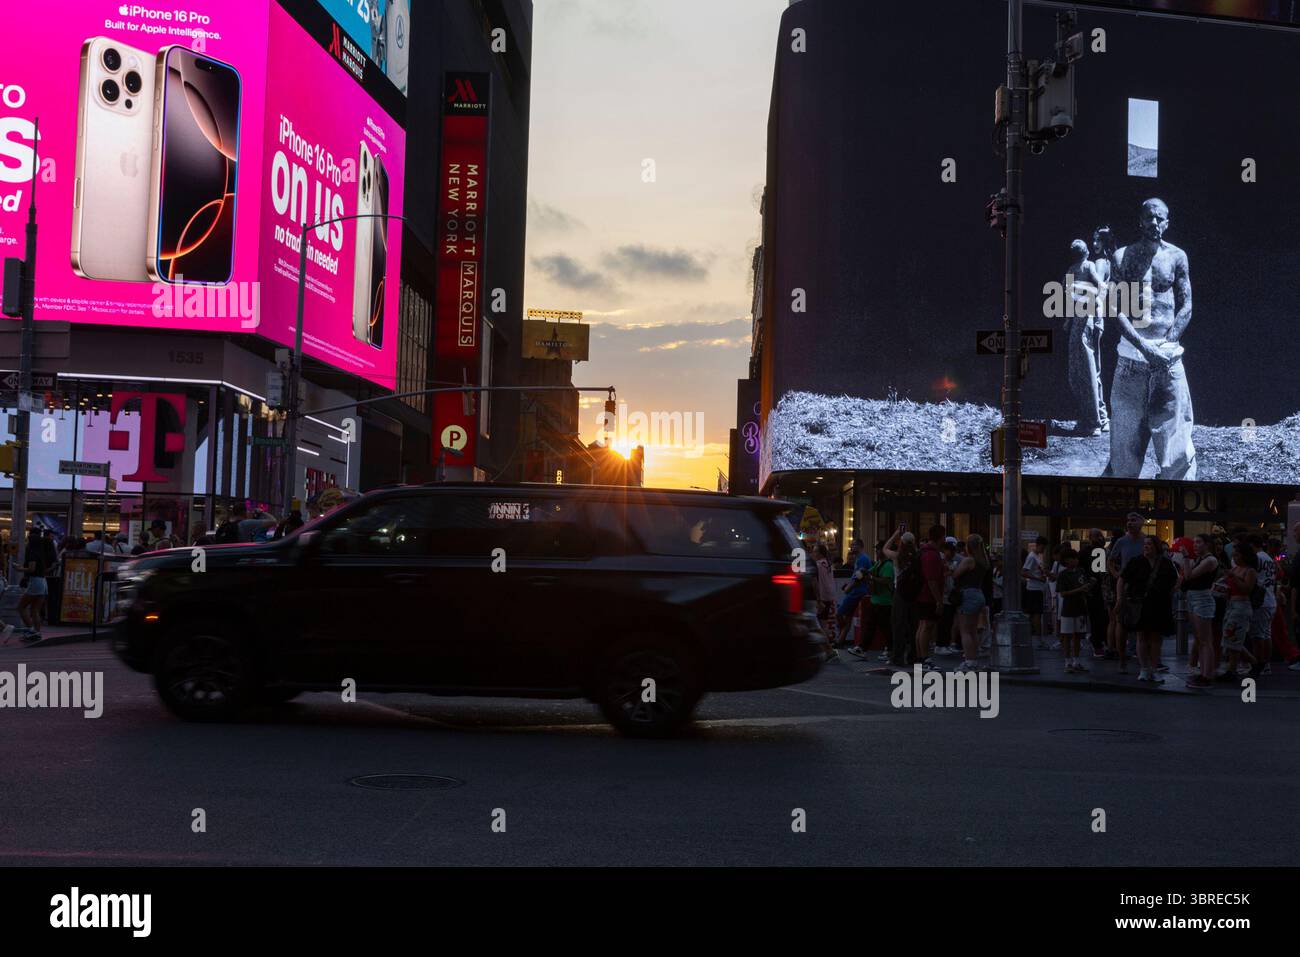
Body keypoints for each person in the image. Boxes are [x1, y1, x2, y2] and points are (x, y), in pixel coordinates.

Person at [1102, 198, 1197, 480]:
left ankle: (1178, 518)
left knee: (1177, 457)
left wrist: (1167, 345)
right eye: (1148, 218)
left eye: (1160, 218)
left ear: (1167, 222)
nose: (1154, 223)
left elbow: (1186, 304)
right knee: (1124, 458)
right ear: (1139, 221)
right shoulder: (1122, 258)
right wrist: (1143, 346)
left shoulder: (1177, 257)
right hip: (1131, 364)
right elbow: (1115, 309)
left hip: (1168, 363)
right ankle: (1120, 514)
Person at [1065, 232, 1111, 435]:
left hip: (1085, 319)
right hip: (1086, 319)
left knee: (1086, 370)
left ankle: (1093, 422)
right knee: (1092, 369)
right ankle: (1100, 418)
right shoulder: (1083, 267)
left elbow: (1101, 288)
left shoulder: (1084, 268)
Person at [1119, 535, 1177, 683]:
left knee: (1156, 638)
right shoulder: (1136, 562)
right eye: (1145, 544)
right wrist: (1121, 599)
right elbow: (1122, 578)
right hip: (1140, 604)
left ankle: (1153, 668)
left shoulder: (1166, 563)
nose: (1146, 546)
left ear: (1156, 547)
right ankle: (1144, 669)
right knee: (1141, 636)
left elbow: (1173, 583)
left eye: (1149, 544)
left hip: (1159, 604)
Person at [1180, 533, 1219, 688]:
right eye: (1194, 542)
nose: (1195, 545)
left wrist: (1185, 557)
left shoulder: (1210, 560)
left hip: (1202, 598)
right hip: (1194, 597)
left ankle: (1207, 675)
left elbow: (1189, 575)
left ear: (1207, 544)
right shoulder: (1200, 559)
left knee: (1205, 640)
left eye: (1199, 542)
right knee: (1200, 638)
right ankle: (1203, 672)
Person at [1214, 546, 1259, 679]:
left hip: (1241, 606)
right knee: (1230, 637)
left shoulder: (1249, 571)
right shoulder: (1235, 569)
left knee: (1232, 636)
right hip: (1231, 604)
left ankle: (1238, 666)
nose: (1234, 558)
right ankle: (1250, 663)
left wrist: (1234, 578)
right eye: (1234, 556)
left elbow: (1247, 589)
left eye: (1237, 556)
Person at [951, 534, 990, 673]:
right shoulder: (983, 561)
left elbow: (955, 574)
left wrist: (951, 568)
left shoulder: (969, 560)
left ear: (969, 546)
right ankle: (974, 660)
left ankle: (969, 662)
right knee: (973, 631)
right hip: (979, 593)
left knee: (965, 631)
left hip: (967, 594)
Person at [914, 524, 947, 669]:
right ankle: (924, 658)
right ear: (941, 537)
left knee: (922, 626)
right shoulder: (931, 554)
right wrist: (939, 601)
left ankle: (921, 658)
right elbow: (931, 579)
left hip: (921, 594)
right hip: (927, 595)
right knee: (927, 626)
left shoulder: (924, 551)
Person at [1054, 545, 1091, 673]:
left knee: (1078, 636)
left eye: (1076, 558)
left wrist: (1089, 586)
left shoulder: (1081, 571)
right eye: (1072, 558)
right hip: (1068, 609)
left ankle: (1076, 661)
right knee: (1067, 636)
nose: (1075, 561)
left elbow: (1085, 586)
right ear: (1066, 561)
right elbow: (1063, 593)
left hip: (1080, 607)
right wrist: (1079, 590)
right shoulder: (1063, 575)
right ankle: (1067, 662)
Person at [856, 542, 893, 661]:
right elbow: (870, 571)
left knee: (885, 627)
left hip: (884, 601)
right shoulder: (878, 563)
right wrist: (864, 572)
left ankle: (890, 649)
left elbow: (887, 581)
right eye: (876, 549)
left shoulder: (888, 565)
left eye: (878, 550)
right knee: (870, 625)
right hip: (875, 599)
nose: (876, 552)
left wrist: (872, 578)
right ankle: (862, 648)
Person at [833, 538, 871, 652]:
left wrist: (848, 588)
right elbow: (855, 576)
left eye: (853, 545)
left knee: (839, 613)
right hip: (857, 590)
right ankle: (841, 640)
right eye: (851, 544)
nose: (851, 546)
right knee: (848, 616)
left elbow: (859, 577)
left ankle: (841, 634)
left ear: (860, 546)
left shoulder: (863, 559)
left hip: (857, 592)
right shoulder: (859, 559)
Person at [1080, 528, 1112, 660]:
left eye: (1100, 536)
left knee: (1103, 617)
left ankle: (1102, 641)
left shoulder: (1102, 551)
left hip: (1101, 589)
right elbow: (1096, 572)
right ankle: (1098, 643)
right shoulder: (1093, 551)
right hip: (1095, 589)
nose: (1099, 538)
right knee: (1097, 617)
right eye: (1097, 536)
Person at [16, 529, 50, 643]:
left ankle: (31, 630)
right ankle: (37, 632)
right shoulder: (41, 553)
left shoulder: (32, 553)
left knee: (21, 607)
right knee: (35, 610)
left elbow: (31, 568)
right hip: (43, 582)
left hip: (35, 582)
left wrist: (19, 568)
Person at [1023, 536, 1050, 647]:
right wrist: (1038, 578)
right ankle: (1038, 639)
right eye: (1043, 547)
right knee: (1036, 614)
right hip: (1034, 589)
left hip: (1038, 589)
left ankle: (1033, 637)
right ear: (1038, 545)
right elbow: (1024, 572)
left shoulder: (1038, 556)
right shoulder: (1031, 557)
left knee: (1035, 614)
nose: (1044, 550)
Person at [813, 543, 838, 660]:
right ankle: (826, 649)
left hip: (822, 597)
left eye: (815, 552)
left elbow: (816, 582)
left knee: (819, 625)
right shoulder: (828, 564)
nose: (813, 554)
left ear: (820, 553)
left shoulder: (817, 565)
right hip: (829, 596)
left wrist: (818, 599)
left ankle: (828, 649)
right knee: (823, 624)